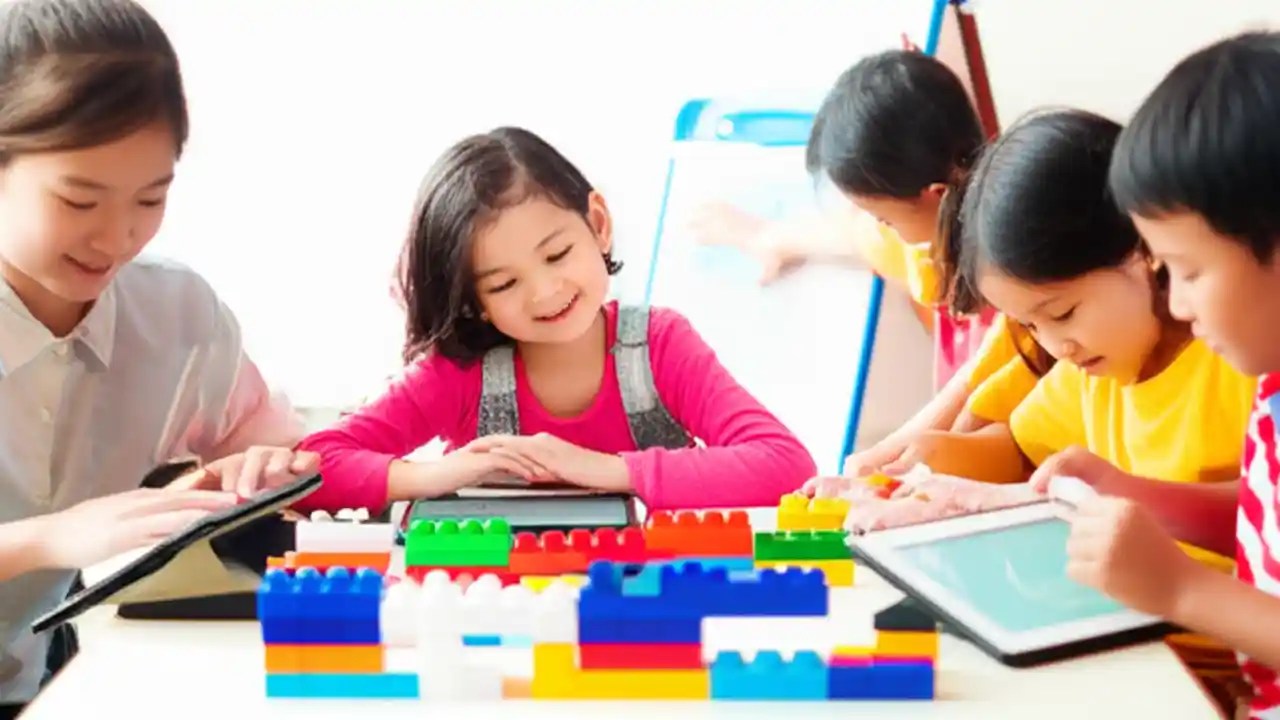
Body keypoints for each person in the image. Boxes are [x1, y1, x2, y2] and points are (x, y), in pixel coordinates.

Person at [0, 1, 315, 712]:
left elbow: (279, 455)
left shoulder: (178, 318)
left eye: (151, 198)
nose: (116, 238)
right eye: (79, 201)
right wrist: (53, 537)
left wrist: (246, 476)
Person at [297, 127, 817, 512]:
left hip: (641, 594)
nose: (545, 292)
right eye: (503, 284)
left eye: (557, 254)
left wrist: (606, 471)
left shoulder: (658, 345)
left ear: (598, 224)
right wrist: (436, 474)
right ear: (473, 299)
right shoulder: (460, 371)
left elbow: (784, 463)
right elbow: (314, 465)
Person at [1031, 31, 1280, 720]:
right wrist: (1129, 491)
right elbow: (1265, 523)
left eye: (1192, 271)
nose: (1176, 304)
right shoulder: (1272, 386)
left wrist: (1179, 590)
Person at [692, 49, 1042, 475]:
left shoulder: (1015, 278)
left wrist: (889, 459)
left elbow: (978, 389)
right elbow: (858, 237)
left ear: (935, 193)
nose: (885, 229)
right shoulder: (925, 239)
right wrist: (771, 237)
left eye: (886, 218)